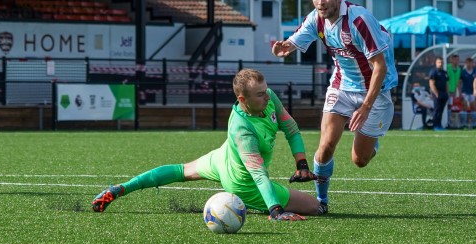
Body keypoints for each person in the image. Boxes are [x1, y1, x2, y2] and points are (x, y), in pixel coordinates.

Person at [91, 69, 322, 220]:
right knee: (316, 207)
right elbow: (258, 173)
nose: (267, 97)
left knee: (181, 170)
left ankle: (121, 188)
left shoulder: (269, 97)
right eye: (260, 95)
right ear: (242, 100)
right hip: (242, 181)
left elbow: (291, 128)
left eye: (265, 91)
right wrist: (275, 210)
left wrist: (301, 163)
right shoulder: (241, 128)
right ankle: (122, 188)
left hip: (222, 157)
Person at [271, 0, 398, 211]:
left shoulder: (359, 21)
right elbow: (294, 41)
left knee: (359, 160)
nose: (321, 1)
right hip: (341, 86)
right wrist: (283, 48)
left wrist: (365, 106)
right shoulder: (316, 19)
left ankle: (371, 144)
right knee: (326, 145)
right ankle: (322, 202)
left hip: (375, 91)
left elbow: (379, 67)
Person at [428, 56, 449, 131]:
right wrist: (436, 93)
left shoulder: (444, 72)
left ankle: (439, 125)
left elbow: (446, 83)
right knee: (436, 110)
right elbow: (431, 83)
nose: (440, 64)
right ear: (436, 63)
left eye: (441, 62)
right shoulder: (433, 72)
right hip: (437, 93)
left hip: (444, 93)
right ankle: (435, 125)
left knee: (441, 110)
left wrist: (447, 93)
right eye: (439, 62)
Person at [458, 57, 476, 129]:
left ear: (472, 63)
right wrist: (460, 92)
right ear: (466, 63)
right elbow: (459, 83)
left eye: (470, 62)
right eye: (467, 62)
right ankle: (464, 124)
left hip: (472, 92)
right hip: (465, 92)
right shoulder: (463, 72)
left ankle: (474, 124)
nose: (469, 64)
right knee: (464, 107)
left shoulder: (475, 72)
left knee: (473, 107)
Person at [446, 53, 462, 128]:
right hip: (447, 90)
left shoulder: (459, 69)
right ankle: (447, 122)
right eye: (455, 59)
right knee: (447, 106)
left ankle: (450, 122)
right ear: (452, 60)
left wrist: (459, 92)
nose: (457, 61)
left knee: (451, 106)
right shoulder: (447, 67)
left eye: (458, 60)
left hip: (453, 91)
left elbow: (458, 81)